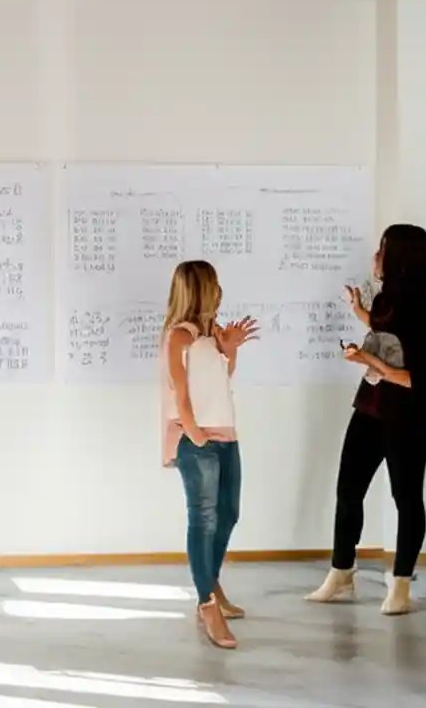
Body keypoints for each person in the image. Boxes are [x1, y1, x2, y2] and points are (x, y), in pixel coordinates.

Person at [307, 224, 426, 615]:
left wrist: (366, 360)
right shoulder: (389, 298)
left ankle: (401, 584)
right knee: (348, 491)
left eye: (381, 251)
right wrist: (357, 307)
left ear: (401, 259)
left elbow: (423, 379)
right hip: (371, 407)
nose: (374, 258)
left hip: (410, 414)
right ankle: (341, 572)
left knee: (405, 498)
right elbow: (385, 329)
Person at [159, 260, 258, 650]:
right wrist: (194, 433)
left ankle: (210, 581)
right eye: (213, 284)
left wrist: (229, 349)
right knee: (203, 518)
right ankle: (207, 603)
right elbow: (179, 390)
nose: (219, 290)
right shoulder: (179, 336)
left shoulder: (211, 334)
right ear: (200, 289)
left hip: (226, 434)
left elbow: (220, 379)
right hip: (197, 438)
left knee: (228, 513)